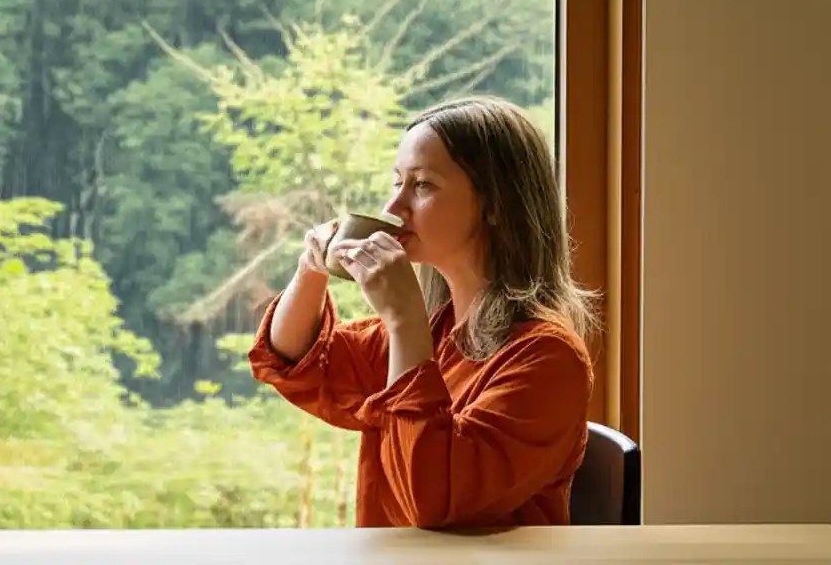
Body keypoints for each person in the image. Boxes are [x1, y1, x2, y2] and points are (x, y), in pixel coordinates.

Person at [248, 95, 597, 529]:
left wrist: (403, 320)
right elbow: (297, 360)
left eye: (422, 185)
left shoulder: (548, 359)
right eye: (397, 183)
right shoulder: (437, 329)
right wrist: (312, 268)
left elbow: (432, 503)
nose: (393, 209)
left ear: (494, 205)